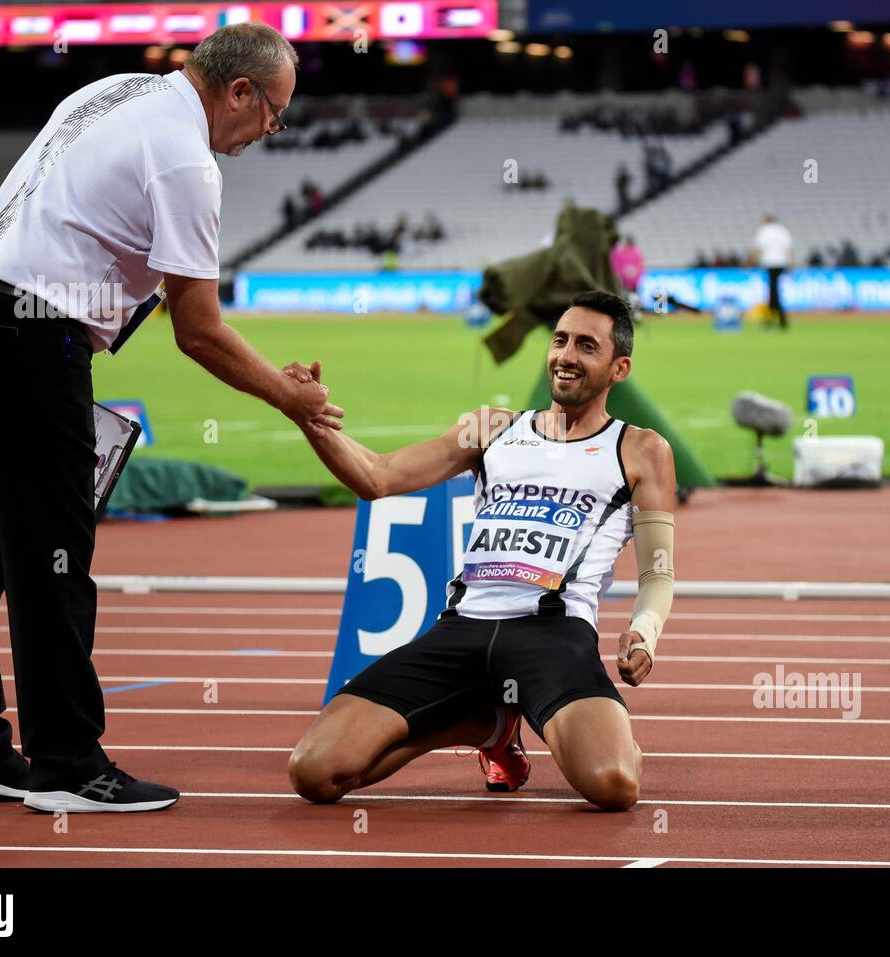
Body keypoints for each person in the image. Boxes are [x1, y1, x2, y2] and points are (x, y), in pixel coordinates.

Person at [0, 23, 342, 813]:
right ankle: (66, 762)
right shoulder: (187, 160)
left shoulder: (115, 90)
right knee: (52, 557)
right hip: (27, 336)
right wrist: (290, 397)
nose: (271, 130)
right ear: (240, 91)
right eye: (274, 113)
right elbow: (199, 330)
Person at [287, 292, 677, 811]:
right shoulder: (492, 428)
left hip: (553, 635)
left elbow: (657, 572)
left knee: (613, 785)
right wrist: (308, 417)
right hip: (462, 630)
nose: (566, 356)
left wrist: (645, 634)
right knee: (313, 772)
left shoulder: (641, 449)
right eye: (560, 340)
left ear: (618, 368)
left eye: (587, 346)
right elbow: (377, 477)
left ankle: (504, 716)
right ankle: (483, 723)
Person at [749, 213, 794, 329]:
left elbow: (758, 249)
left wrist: (750, 262)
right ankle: (776, 319)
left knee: (773, 293)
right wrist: (791, 264)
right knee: (774, 292)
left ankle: (775, 319)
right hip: (781, 264)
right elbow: (789, 249)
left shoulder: (764, 231)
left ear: (766, 221)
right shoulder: (783, 231)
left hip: (770, 264)